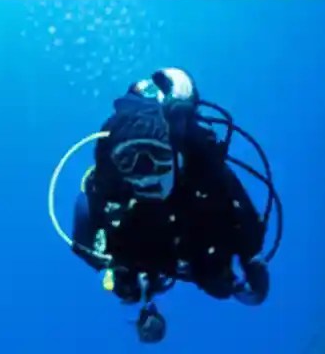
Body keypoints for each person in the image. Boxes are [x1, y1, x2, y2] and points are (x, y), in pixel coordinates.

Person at [65, 68, 276, 343]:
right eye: (129, 160)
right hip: (155, 248)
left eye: (156, 157)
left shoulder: (202, 171)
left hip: (188, 238)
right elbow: (87, 235)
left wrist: (250, 258)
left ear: (176, 152)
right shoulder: (112, 188)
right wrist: (116, 273)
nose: (144, 173)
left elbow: (235, 206)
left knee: (212, 266)